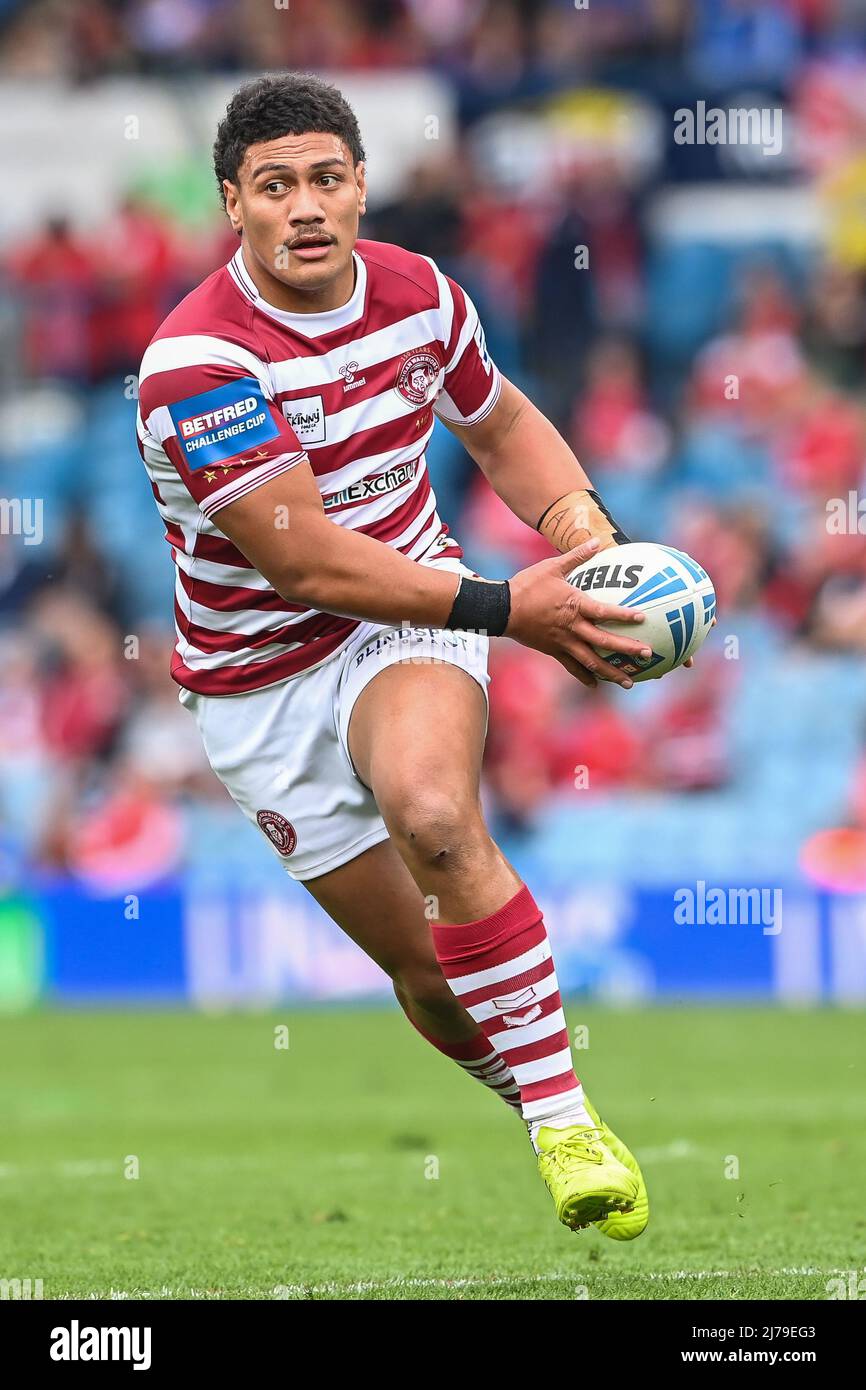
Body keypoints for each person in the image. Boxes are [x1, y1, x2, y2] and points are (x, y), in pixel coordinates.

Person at [136, 72, 653, 1237]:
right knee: (427, 974)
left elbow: (500, 421)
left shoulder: (422, 294)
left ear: (362, 186)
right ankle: (538, 1099)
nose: (305, 207)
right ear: (234, 205)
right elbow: (306, 564)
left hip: (406, 619)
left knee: (430, 811)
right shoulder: (196, 365)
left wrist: (586, 536)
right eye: (276, 187)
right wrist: (509, 606)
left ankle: (567, 1123)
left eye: (326, 179)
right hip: (258, 682)